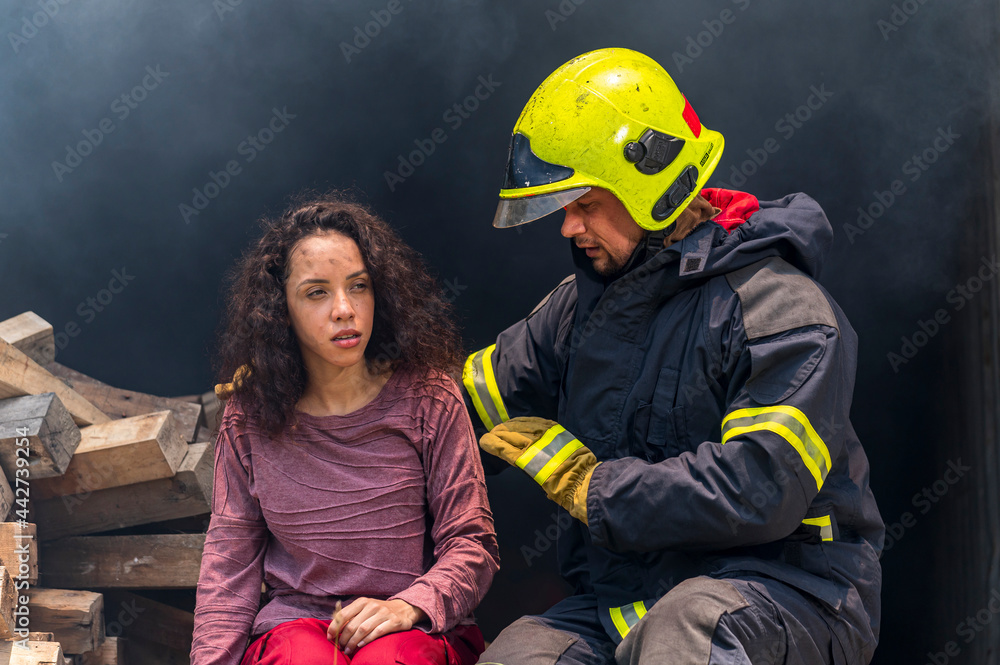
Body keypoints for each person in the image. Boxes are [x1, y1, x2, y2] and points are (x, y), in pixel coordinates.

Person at [462, 49, 884, 664]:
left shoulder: (784, 310)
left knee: (687, 632)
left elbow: (758, 488)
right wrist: (316, 391)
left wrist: (592, 487)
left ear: (649, 182)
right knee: (519, 656)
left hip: (794, 590)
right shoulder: (581, 307)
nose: (566, 227)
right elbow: (453, 410)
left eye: (584, 203)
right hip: (626, 601)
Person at [190, 193, 500, 665]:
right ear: (280, 311)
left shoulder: (429, 397)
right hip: (296, 628)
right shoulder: (250, 415)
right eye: (317, 293)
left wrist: (408, 605)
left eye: (359, 286)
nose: (344, 309)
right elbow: (228, 567)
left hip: (411, 627)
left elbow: (472, 543)